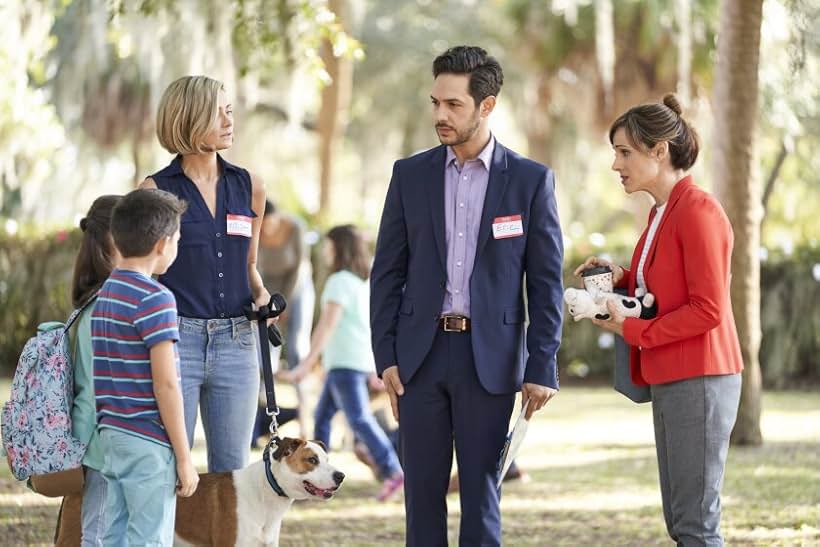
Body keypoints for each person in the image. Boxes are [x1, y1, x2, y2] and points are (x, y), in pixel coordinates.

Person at [370, 46, 564, 546]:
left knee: (481, 496)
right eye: (436, 102)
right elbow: (386, 273)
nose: (440, 114)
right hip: (419, 358)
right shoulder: (408, 175)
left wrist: (542, 364)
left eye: (454, 105)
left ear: (487, 105)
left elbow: (544, 284)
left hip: (492, 362)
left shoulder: (529, 181)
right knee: (422, 497)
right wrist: (386, 356)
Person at [575, 93, 743, 546]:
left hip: (701, 376)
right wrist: (620, 276)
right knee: (681, 521)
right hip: (674, 374)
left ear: (659, 151)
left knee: (696, 525)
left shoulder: (699, 210)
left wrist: (632, 329)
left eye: (624, 152)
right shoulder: (661, 212)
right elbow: (664, 286)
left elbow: (707, 308)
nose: (616, 164)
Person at [140, 75, 270, 472]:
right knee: (167, 467)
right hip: (175, 341)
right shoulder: (153, 192)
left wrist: (262, 294)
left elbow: (249, 264)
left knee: (232, 476)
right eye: (217, 114)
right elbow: (142, 275)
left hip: (239, 343)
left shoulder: (250, 186)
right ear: (188, 119)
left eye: (229, 111)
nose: (229, 121)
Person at [93, 188, 198, 545]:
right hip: (149, 440)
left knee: (115, 535)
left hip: (112, 435)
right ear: (163, 244)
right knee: (149, 538)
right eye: (178, 240)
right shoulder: (156, 298)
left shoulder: (106, 293)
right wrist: (184, 458)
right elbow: (166, 385)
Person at [280, 225, 404, 502]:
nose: (325, 250)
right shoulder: (362, 282)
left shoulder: (339, 282)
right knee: (322, 421)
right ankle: (316, 479)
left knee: (359, 418)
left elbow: (326, 326)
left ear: (339, 247)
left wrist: (305, 364)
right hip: (354, 362)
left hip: (345, 365)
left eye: (328, 245)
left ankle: (394, 471)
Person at [64, 194, 121, 545]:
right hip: (103, 449)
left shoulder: (95, 302)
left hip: (98, 445)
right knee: (97, 534)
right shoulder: (107, 307)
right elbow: (96, 389)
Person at [252, 199, 315, 443]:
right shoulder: (254, 232)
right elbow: (256, 269)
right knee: (264, 355)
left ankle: (306, 420)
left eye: (270, 223)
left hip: (297, 289)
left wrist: (285, 303)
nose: (267, 229)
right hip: (269, 291)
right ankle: (263, 423)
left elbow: (300, 267)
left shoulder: (296, 227)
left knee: (297, 350)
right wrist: (267, 304)